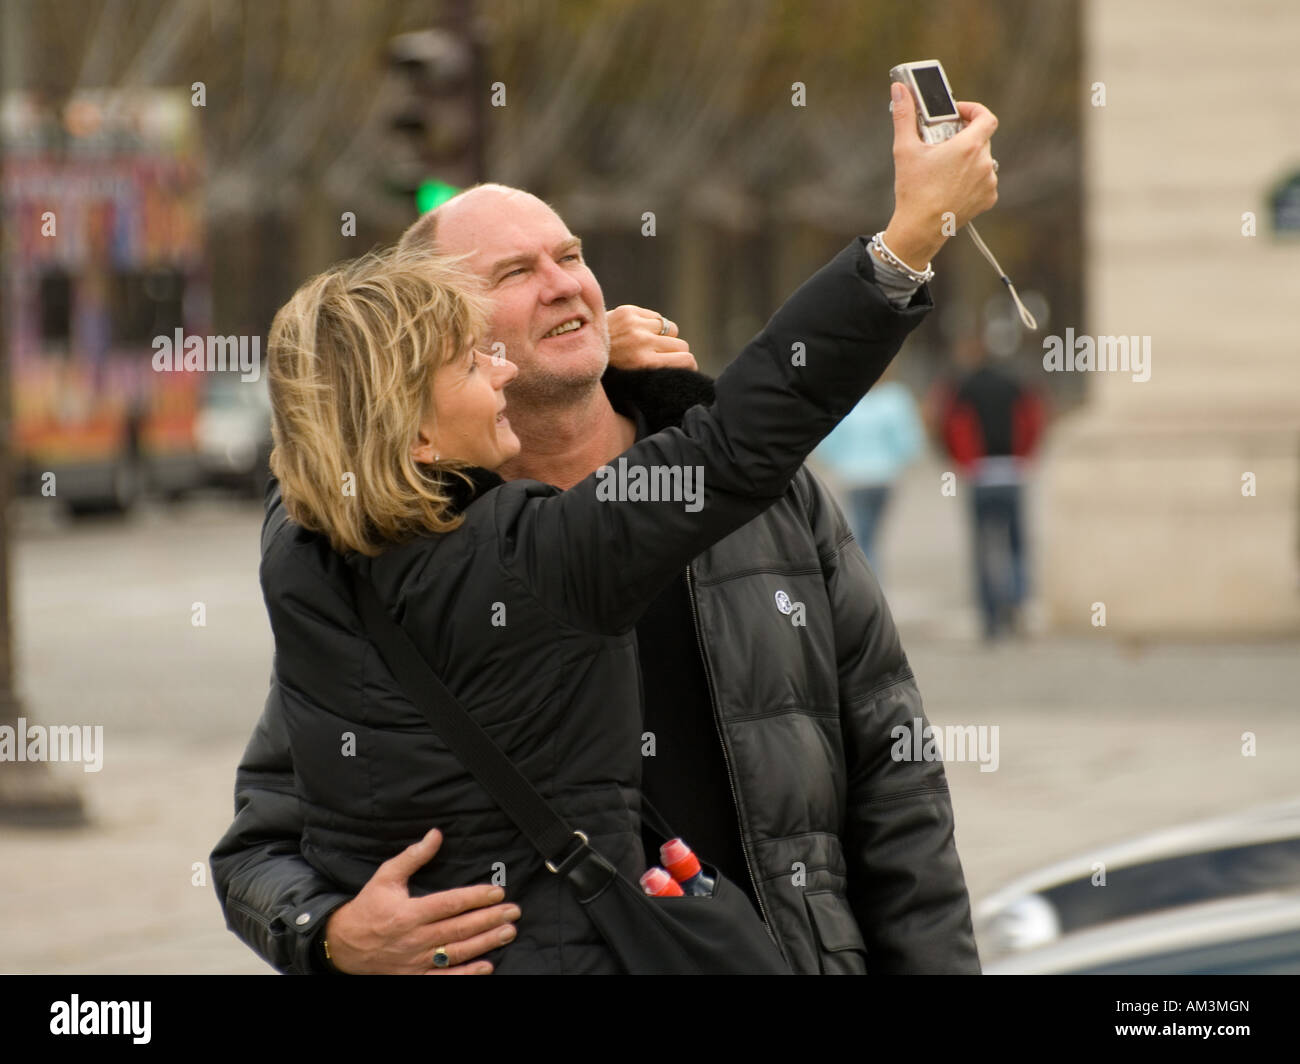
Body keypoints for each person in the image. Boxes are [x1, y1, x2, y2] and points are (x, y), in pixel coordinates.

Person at [212, 84, 999, 974]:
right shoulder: (441, 553)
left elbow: (899, 784)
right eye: (514, 275)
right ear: (431, 367)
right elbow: (258, 846)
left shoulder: (776, 507)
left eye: (571, 256)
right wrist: (328, 934)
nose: (565, 285)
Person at [926, 333, 1047, 640]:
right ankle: (1017, 605)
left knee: (982, 548)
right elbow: (1035, 419)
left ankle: (990, 618)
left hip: (979, 473)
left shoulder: (961, 387)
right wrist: (1024, 457)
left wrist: (963, 462)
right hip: (1011, 470)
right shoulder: (1015, 383)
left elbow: (948, 426)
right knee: (1015, 545)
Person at [811, 364, 925, 575]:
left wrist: (840, 462)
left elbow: (829, 443)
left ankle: (868, 581)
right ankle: (873, 580)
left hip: (854, 478)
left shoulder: (845, 397)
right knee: (872, 534)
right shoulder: (896, 398)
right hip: (885, 476)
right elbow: (909, 442)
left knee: (862, 534)